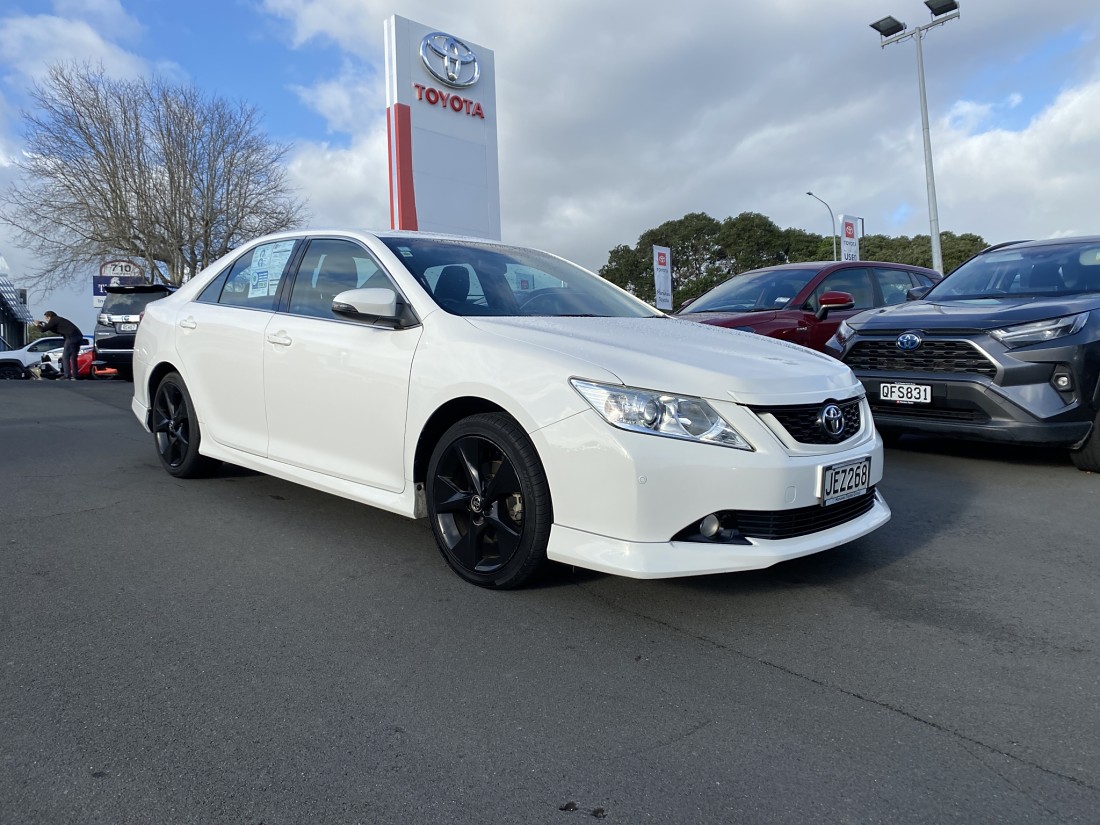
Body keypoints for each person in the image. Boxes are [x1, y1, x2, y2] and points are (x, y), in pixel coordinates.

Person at [36, 311, 83, 380]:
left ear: (49, 316)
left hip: (71, 337)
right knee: (73, 357)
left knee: (65, 356)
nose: (47, 320)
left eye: (46, 319)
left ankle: (67, 375)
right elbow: (54, 329)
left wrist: (37, 325)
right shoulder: (59, 320)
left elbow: (43, 330)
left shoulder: (54, 319)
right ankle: (75, 375)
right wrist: (43, 324)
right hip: (78, 336)